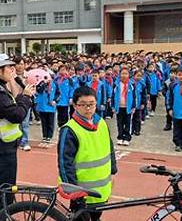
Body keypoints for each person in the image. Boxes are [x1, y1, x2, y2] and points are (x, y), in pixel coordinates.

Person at [0, 54, 34, 221]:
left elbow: (9, 108)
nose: (13, 69)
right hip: (1, 148)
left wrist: (21, 97)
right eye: (9, 67)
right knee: (4, 191)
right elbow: (17, 115)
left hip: (0, 147)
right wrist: (26, 97)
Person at [58, 86, 118, 221]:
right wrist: (74, 191)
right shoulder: (70, 129)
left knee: (96, 218)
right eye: (83, 105)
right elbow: (64, 163)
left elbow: (110, 148)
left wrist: (113, 171)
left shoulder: (101, 122)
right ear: (74, 105)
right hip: (81, 193)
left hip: (102, 190)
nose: (88, 109)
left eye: (92, 104)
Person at [112, 68, 137, 146]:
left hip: (128, 107)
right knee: (119, 123)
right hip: (119, 107)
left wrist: (133, 107)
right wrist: (112, 106)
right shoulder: (116, 84)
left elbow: (134, 96)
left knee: (127, 123)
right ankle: (120, 137)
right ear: (120, 74)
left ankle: (127, 138)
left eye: (126, 74)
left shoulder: (131, 84)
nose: (124, 75)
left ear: (129, 75)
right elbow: (113, 96)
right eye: (122, 73)